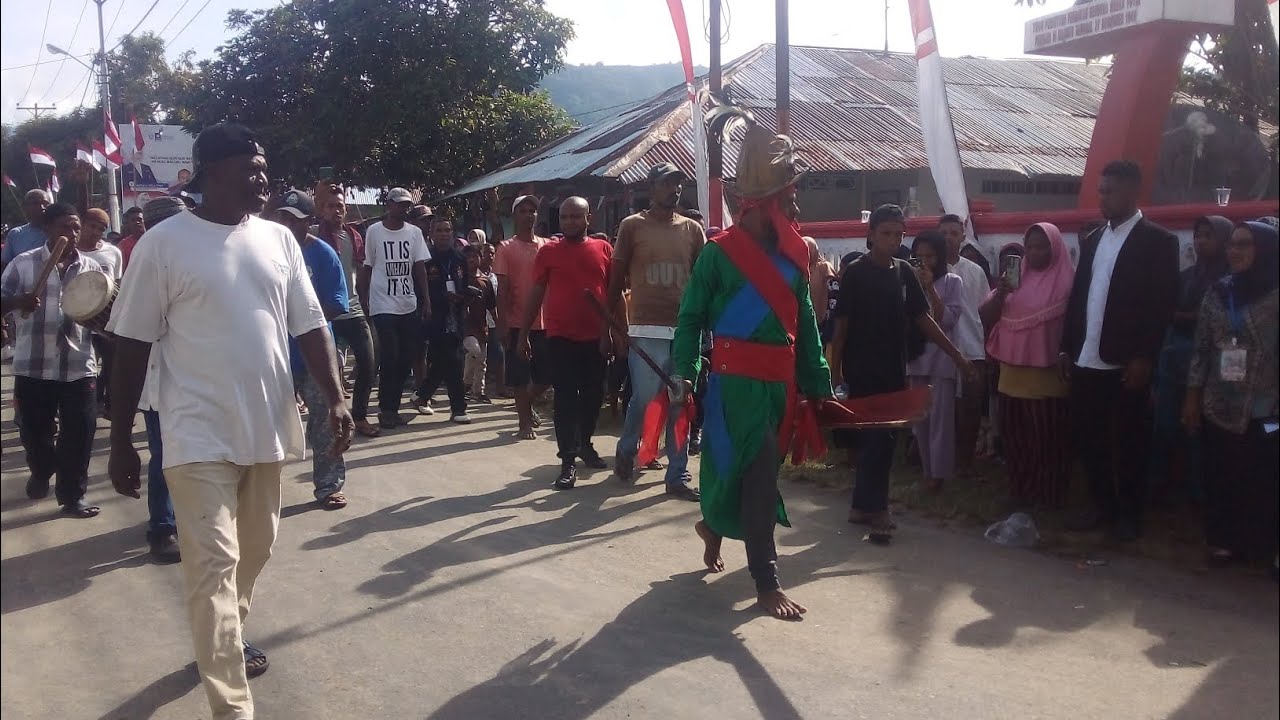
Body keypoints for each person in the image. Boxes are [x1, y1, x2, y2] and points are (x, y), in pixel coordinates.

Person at [106, 123, 354, 720]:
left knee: (257, 549)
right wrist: (121, 439)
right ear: (210, 174)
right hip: (194, 431)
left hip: (265, 426)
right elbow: (131, 344)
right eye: (250, 167)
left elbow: (310, 325)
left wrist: (338, 398)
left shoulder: (279, 240)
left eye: (264, 166)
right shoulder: (165, 244)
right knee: (214, 564)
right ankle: (232, 704)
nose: (262, 178)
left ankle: (220, 636)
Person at [670, 120, 832, 620]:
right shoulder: (719, 254)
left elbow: (804, 325)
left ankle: (712, 526)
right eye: (791, 196)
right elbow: (691, 319)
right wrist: (684, 371)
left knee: (744, 470)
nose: (798, 207)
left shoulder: (799, 253)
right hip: (733, 386)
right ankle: (767, 582)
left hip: (779, 387)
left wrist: (818, 384)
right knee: (759, 473)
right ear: (767, 203)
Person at [831, 205, 973, 541]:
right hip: (862, 370)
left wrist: (958, 357)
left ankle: (861, 505)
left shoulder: (905, 273)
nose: (894, 240)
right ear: (871, 235)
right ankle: (877, 508)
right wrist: (834, 373)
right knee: (875, 439)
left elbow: (925, 321)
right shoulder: (856, 273)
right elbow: (841, 327)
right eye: (886, 233)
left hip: (896, 368)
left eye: (899, 234)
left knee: (883, 440)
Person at [1060, 160, 1179, 541]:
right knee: (1088, 435)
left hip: (1127, 360)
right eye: (1101, 190)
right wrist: (1067, 347)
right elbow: (1079, 298)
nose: (1102, 197)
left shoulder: (1158, 241)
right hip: (1086, 356)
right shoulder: (1095, 239)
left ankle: (1129, 515)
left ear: (1132, 193)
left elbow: (1161, 306)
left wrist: (1145, 355)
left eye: (1109, 191)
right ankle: (1102, 505)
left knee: (1130, 440)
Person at [606, 162, 705, 499]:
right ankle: (628, 446)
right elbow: (616, 277)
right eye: (666, 184)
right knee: (645, 398)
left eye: (677, 184)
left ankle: (678, 475)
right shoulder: (632, 226)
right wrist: (614, 326)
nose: (673, 189)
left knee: (681, 400)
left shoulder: (692, 230)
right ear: (652, 189)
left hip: (686, 330)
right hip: (646, 328)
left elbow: (704, 280)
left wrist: (707, 325)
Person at [1182, 220, 1278, 567]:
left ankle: (1266, 549)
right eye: (1232, 244)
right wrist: (1192, 396)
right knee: (1223, 474)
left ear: (1265, 249)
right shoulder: (1219, 292)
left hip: (1268, 409)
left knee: (1265, 477)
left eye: (1245, 244)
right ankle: (1224, 543)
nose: (1234, 250)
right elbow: (1201, 349)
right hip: (1219, 403)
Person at [1, 202, 103, 518]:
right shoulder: (23, 264)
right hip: (33, 365)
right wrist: (19, 301)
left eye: (75, 228)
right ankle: (41, 469)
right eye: (64, 227)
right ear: (47, 228)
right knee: (34, 432)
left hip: (78, 363)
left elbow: (105, 314)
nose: (71, 234)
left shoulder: (92, 269)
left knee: (80, 432)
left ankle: (72, 496)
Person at [517, 197, 613, 488]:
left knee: (594, 396)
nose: (569, 221)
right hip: (560, 337)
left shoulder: (603, 249)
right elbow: (536, 293)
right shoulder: (549, 252)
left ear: (588, 218)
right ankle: (568, 460)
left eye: (575, 216)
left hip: (595, 338)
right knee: (566, 399)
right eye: (564, 217)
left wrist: (612, 334)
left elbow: (612, 294)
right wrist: (523, 334)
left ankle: (585, 443)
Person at [981, 223, 1075, 507]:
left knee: (1046, 438)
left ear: (1055, 247)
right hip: (1011, 372)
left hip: (1047, 375)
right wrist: (1001, 293)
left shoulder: (1068, 282)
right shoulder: (1015, 278)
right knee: (1014, 436)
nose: (1034, 253)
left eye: (1041, 246)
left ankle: (1048, 497)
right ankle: (1020, 491)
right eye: (1030, 247)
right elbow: (985, 316)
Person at [273, 189, 351, 509]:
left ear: (310, 222)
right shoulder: (265, 252)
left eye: (297, 220)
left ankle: (329, 485)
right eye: (284, 218)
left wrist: (302, 320)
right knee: (270, 423)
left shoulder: (323, 254)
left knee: (325, 420)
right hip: (275, 354)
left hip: (315, 355)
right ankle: (262, 492)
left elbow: (335, 304)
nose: (290, 225)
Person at [1149, 216, 1231, 504]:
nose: (1201, 241)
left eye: (1209, 235)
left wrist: (1183, 317)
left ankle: (1199, 494)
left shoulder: (1231, 281)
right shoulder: (1186, 276)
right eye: (1198, 235)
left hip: (1210, 364)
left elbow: (1221, 321)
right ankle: (1162, 485)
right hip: (1173, 358)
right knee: (1165, 423)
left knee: (1199, 429)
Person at [133, 196, 190, 562]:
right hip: (159, 381)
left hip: (196, 380)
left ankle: (184, 518)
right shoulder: (146, 263)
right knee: (164, 457)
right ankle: (162, 528)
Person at [358, 188, 432, 430]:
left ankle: (393, 405)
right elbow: (367, 266)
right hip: (383, 304)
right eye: (399, 204)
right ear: (388, 205)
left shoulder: (414, 233)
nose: (404, 208)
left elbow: (419, 268)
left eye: (407, 205)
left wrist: (426, 300)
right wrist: (364, 298)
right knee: (389, 356)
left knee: (407, 357)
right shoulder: (374, 232)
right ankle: (386, 409)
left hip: (407, 303)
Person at [315, 186, 380, 438]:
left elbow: (360, 272)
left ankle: (360, 417)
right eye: (330, 206)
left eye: (340, 206)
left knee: (368, 363)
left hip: (353, 310)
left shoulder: (354, 236)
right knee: (325, 371)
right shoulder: (313, 236)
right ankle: (329, 420)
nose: (336, 211)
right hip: (325, 313)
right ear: (322, 210)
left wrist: (365, 302)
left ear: (346, 209)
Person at [905, 230, 965, 493]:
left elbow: (947, 320)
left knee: (941, 419)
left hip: (941, 357)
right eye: (918, 256)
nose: (924, 261)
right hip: (916, 355)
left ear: (939, 256)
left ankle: (939, 475)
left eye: (930, 255)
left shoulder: (953, 281)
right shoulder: (905, 280)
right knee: (920, 419)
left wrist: (929, 287)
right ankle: (927, 471)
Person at [938, 214, 989, 475]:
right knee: (942, 409)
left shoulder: (975, 271)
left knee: (970, 407)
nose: (948, 238)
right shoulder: (929, 271)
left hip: (971, 347)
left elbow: (983, 311)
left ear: (962, 237)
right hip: (939, 350)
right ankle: (939, 462)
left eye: (953, 233)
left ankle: (965, 462)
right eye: (943, 233)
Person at [496, 195, 549, 439]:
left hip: (547, 322)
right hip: (517, 323)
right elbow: (503, 290)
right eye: (524, 211)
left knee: (548, 375)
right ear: (515, 215)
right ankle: (524, 423)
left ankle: (526, 407)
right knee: (520, 377)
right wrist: (503, 323)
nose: (529, 215)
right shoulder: (506, 248)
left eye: (533, 211)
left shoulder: (547, 246)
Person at [417, 216, 471, 424]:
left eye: (447, 230)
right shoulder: (426, 258)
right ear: (432, 234)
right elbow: (421, 290)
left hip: (455, 316)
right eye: (439, 230)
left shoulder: (459, 258)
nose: (444, 234)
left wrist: (464, 297)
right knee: (454, 361)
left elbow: (464, 283)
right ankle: (458, 408)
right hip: (434, 316)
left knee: (443, 362)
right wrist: (440, 298)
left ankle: (422, 395)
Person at [77, 208, 124, 415]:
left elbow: (119, 284)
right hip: (76, 321)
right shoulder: (71, 252)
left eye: (101, 229)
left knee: (113, 367)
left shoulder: (113, 252)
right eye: (92, 226)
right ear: (83, 224)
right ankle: (83, 408)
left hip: (106, 322)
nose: (95, 232)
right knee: (82, 369)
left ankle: (112, 408)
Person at [461, 244, 497, 403]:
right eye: (468, 257)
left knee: (481, 360)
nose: (472, 260)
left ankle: (478, 391)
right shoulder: (460, 279)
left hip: (482, 326)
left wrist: (499, 323)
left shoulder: (485, 281)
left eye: (475, 256)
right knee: (473, 352)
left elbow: (492, 306)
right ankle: (466, 384)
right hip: (466, 327)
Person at [0, 189, 51, 270]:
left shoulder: (57, 232)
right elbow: (4, 265)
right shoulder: (15, 234)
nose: (42, 207)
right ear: (25, 208)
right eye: (35, 203)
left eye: (45, 204)